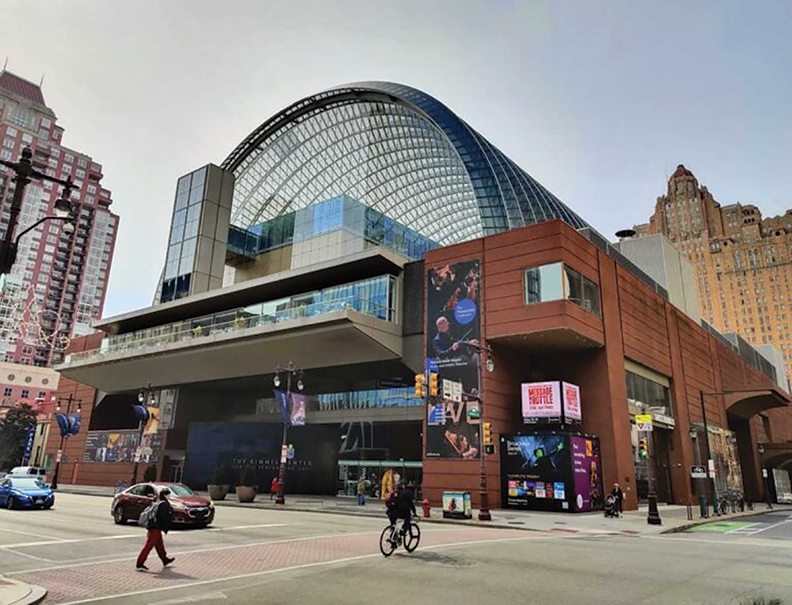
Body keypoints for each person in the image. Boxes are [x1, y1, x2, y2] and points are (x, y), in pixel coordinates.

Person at [136, 487, 175, 571]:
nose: (169, 496)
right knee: (148, 546)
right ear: (165, 495)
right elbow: (163, 517)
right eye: (168, 494)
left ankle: (165, 560)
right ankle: (140, 563)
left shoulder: (158, 502)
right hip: (155, 528)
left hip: (153, 527)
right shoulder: (164, 504)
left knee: (159, 545)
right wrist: (165, 526)